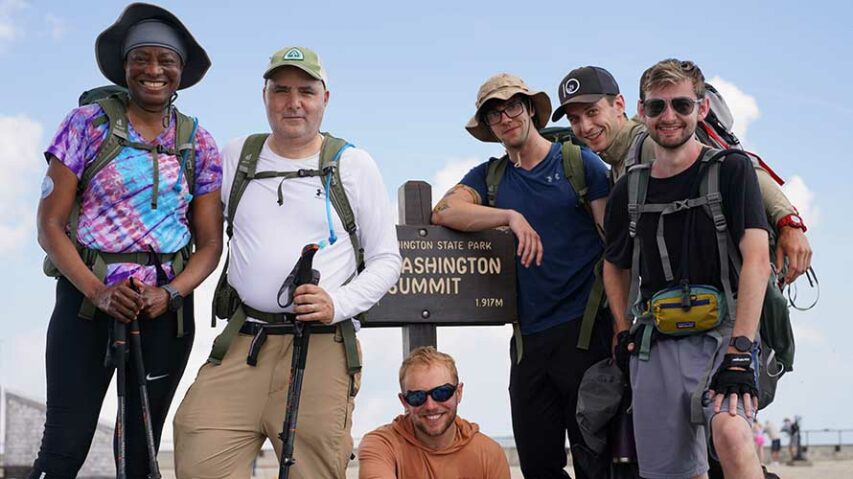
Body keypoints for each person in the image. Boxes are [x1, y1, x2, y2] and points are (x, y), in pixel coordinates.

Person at [173, 46, 401, 478]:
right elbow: (194, 226)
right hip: (245, 339)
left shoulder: (352, 164)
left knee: (313, 467)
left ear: (325, 98)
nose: (292, 102)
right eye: (280, 90)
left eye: (305, 91)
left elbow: (387, 259)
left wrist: (337, 303)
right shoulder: (238, 154)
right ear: (265, 95)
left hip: (322, 345)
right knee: (197, 435)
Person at [31, 3, 222, 477]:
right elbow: (50, 225)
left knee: (141, 452)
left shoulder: (199, 144)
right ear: (124, 65)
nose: (153, 70)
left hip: (165, 315)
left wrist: (170, 293)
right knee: (63, 446)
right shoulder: (86, 125)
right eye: (142, 58)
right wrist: (99, 292)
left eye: (166, 61)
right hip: (85, 303)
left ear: (181, 72)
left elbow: (210, 246)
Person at [432, 73, 612, 478]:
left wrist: (621, 326)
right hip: (528, 343)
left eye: (513, 106)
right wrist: (510, 216)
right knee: (537, 467)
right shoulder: (491, 177)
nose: (506, 118)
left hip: (586, 333)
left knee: (595, 462)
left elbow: (614, 247)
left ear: (531, 109)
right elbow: (444, 212)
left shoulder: (578, 163)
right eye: (494, 113)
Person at [603, 59, 768, 479]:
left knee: (732, 433)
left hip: (724, 336)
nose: (669, 117)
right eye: (657, 107)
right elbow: (615, 265)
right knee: (670, 473)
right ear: (641, 112)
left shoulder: (732, 170)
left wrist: (741, 349)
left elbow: (757, 259)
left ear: (702, 108)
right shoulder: (630, 188)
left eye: (681, 105)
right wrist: (622, 330)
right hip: (656, 342)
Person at [552, 65, 812, 286]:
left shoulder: (653, 142)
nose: (585, 126)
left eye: (593, 112)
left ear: (619, 105)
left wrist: (789, 223)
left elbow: (741, 168)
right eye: (575, 119)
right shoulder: (619, 164)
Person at [358, 346, 511, 479]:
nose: (430, 406)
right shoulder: (381, 445)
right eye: (417, 396)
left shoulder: (489, 453)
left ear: (459, 393)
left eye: (441, 393)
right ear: (404, 401)